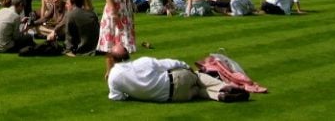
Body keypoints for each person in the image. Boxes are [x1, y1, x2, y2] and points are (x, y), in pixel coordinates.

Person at [106, 44, 250, 103]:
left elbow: (116, 97)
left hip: (175, 97)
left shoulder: (113, 77)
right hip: (177, 80)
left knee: (198, 92)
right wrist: (186, 66)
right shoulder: (143, 61)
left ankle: (220, 96)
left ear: (112, 59)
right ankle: (223, 87)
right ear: (127, 55)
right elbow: (170, 63)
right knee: (197, 77)